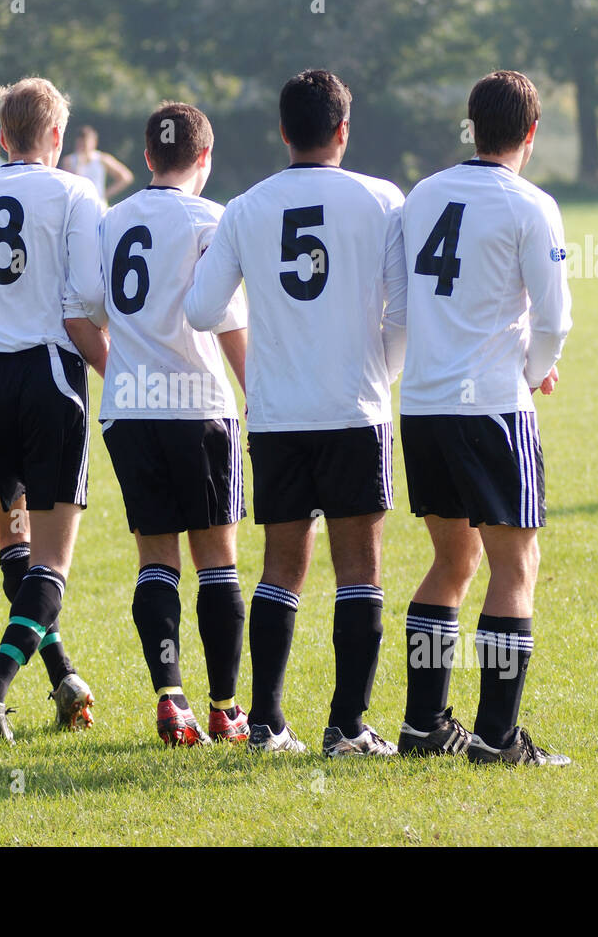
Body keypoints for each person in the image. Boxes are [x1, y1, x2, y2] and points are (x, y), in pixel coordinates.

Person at [186, 69, 407, 758]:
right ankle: (346, 728)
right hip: (353, 406)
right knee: (359, 570)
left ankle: (266, 723)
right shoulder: (381, 199)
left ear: (284, 132)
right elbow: (401, 310)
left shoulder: (245, 208)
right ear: (343, 130)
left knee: (280, 567)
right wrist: (382, 373)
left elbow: (200, 309)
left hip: (278, 414)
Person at [395, 70, 572, 767]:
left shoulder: (423, 194)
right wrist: (532, 371)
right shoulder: (531, 204)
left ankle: (423, 726)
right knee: (515, 563)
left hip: (425, 404)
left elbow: (401, 299)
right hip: (493, 406)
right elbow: (555, 319)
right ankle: (498, 739)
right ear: (531, 133)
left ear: (471, 125)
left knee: (450, 560)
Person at [0, 77, 107, 743]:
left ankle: (65, 676)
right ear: (55, 136)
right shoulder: (76, 192)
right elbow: (84, 305)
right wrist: (121, 371)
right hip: (48, 381)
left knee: (15, 545)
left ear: (1, 133)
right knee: (52, 561)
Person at [98, 102, 250, 746]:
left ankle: (172, 700)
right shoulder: (213, 220)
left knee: (155, 558)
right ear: (205, 159)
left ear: (146, 157)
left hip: (129, 411)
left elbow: (81, 318)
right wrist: (260, 399)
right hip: (200, 406)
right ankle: (224, 709)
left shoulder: (110, 222)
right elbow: (230, 322)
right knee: (216, 561)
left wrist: (123, 377)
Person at [61, 125, 133, 209]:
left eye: (85, 143)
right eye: (80, 143)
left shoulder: (102, 159)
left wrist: (104, 195)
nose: (83, 146)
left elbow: (126, 177)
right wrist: (79, 163)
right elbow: (68, 186)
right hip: (77, 206)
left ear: (94, 142)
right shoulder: (68, 161)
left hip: (98, 206)